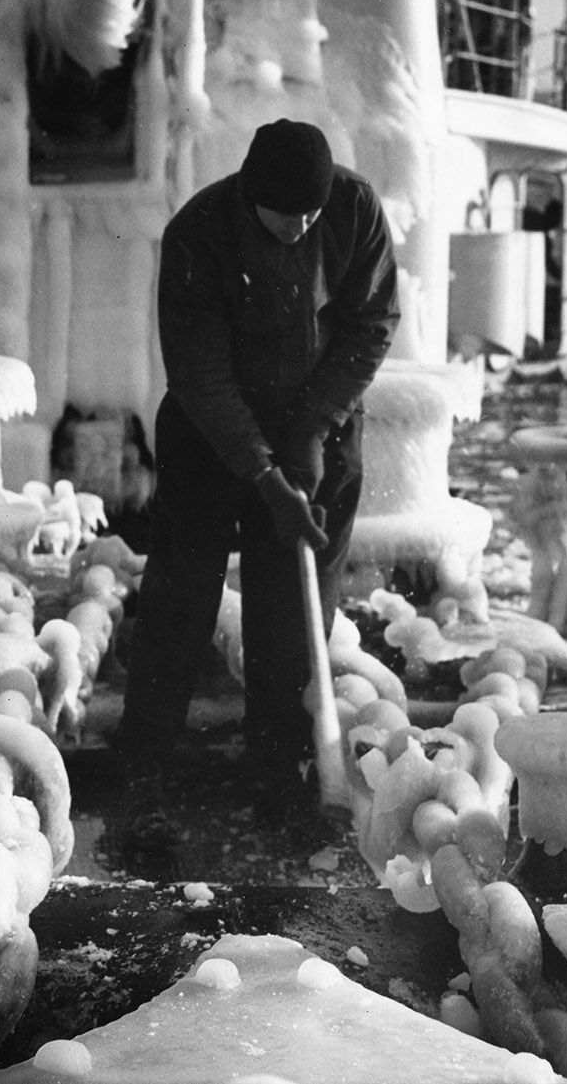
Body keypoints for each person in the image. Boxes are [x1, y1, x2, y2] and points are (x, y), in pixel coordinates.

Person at [113, 119, 398, 862]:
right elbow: (200, 374)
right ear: (249, 195)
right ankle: (144, 771)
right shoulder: (198, 234)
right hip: (212, 433)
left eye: (312, 213)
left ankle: (279, 772)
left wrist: (312, 430)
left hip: (319, 426)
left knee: (293, 614)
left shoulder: (355, 211)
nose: (301, 228)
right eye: (284, 217)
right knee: (180, 599)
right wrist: (265, 474)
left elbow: (370, 324)